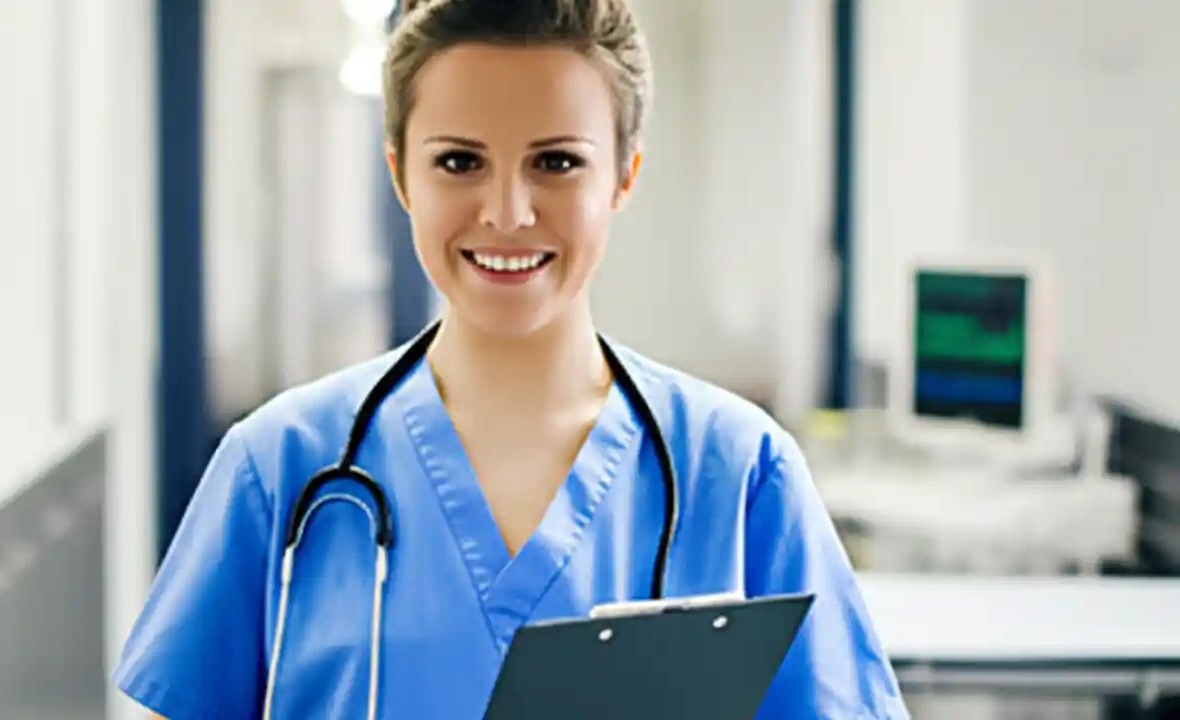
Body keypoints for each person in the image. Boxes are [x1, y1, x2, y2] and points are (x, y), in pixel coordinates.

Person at [113, 0, 909, 717]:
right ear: (400, 175)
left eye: (556, 162)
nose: (507, 212)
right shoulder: (282, 466)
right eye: (460, 161)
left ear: (624, 176)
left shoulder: (737, 470)